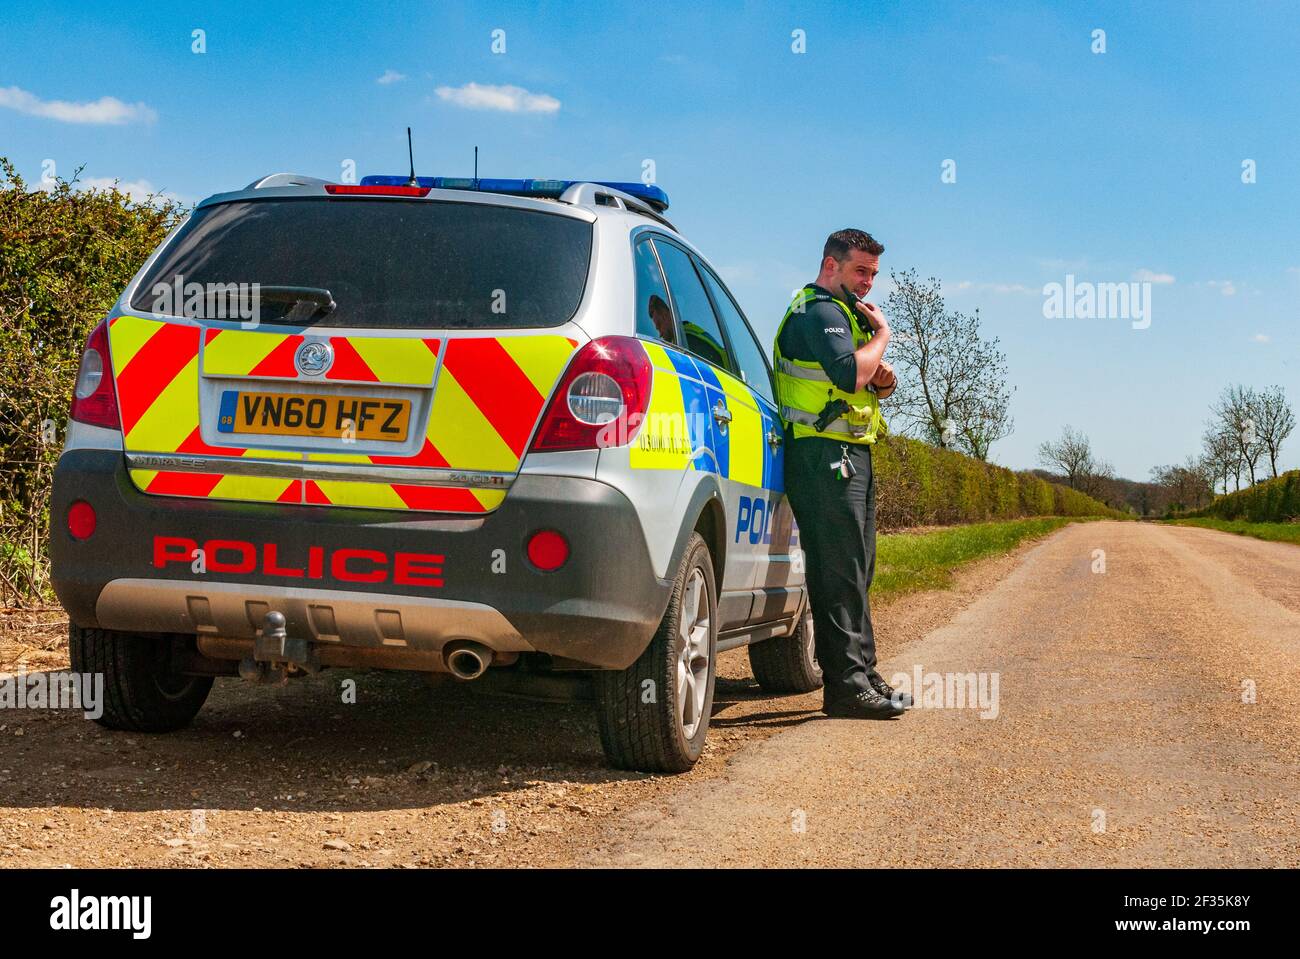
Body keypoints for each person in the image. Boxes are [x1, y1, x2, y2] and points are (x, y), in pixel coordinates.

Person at [773, 228, 911, 719]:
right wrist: (882, 337)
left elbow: (863, 379)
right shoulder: (818, 311)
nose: (868, 282)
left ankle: (865, 674)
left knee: (857, 568)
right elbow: (849, 374)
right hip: (822, 455)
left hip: (849, 453)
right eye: (861, 271)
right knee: (838, 571)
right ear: (831, 265)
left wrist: (883, 380)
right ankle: (846, 688)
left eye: (873, 274)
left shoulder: (845, 313)